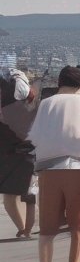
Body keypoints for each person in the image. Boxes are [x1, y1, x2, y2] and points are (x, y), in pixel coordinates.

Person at [28, 66, 80, 262]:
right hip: (77, 167)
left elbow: (34, 137)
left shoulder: (46, 103)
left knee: (47, 229)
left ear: (59, 82)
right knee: (79, 227)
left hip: (47, 169)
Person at [1, 68, 37, 237]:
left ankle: (25, 229)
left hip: (10, 153)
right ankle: (26, 229)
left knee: (11, 197)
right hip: (23, 154)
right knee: (22, 194)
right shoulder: (21, 112)